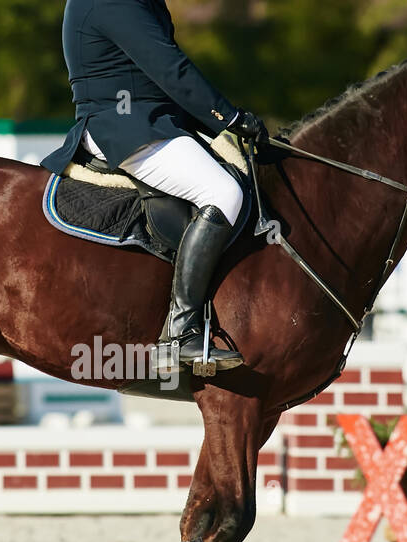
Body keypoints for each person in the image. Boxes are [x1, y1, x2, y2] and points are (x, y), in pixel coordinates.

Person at [41, 0, 267, 373]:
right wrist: (229, 117)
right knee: (223, 193)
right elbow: (170, 70)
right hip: (124, 125)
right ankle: (180, 334)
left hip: (149, 120)